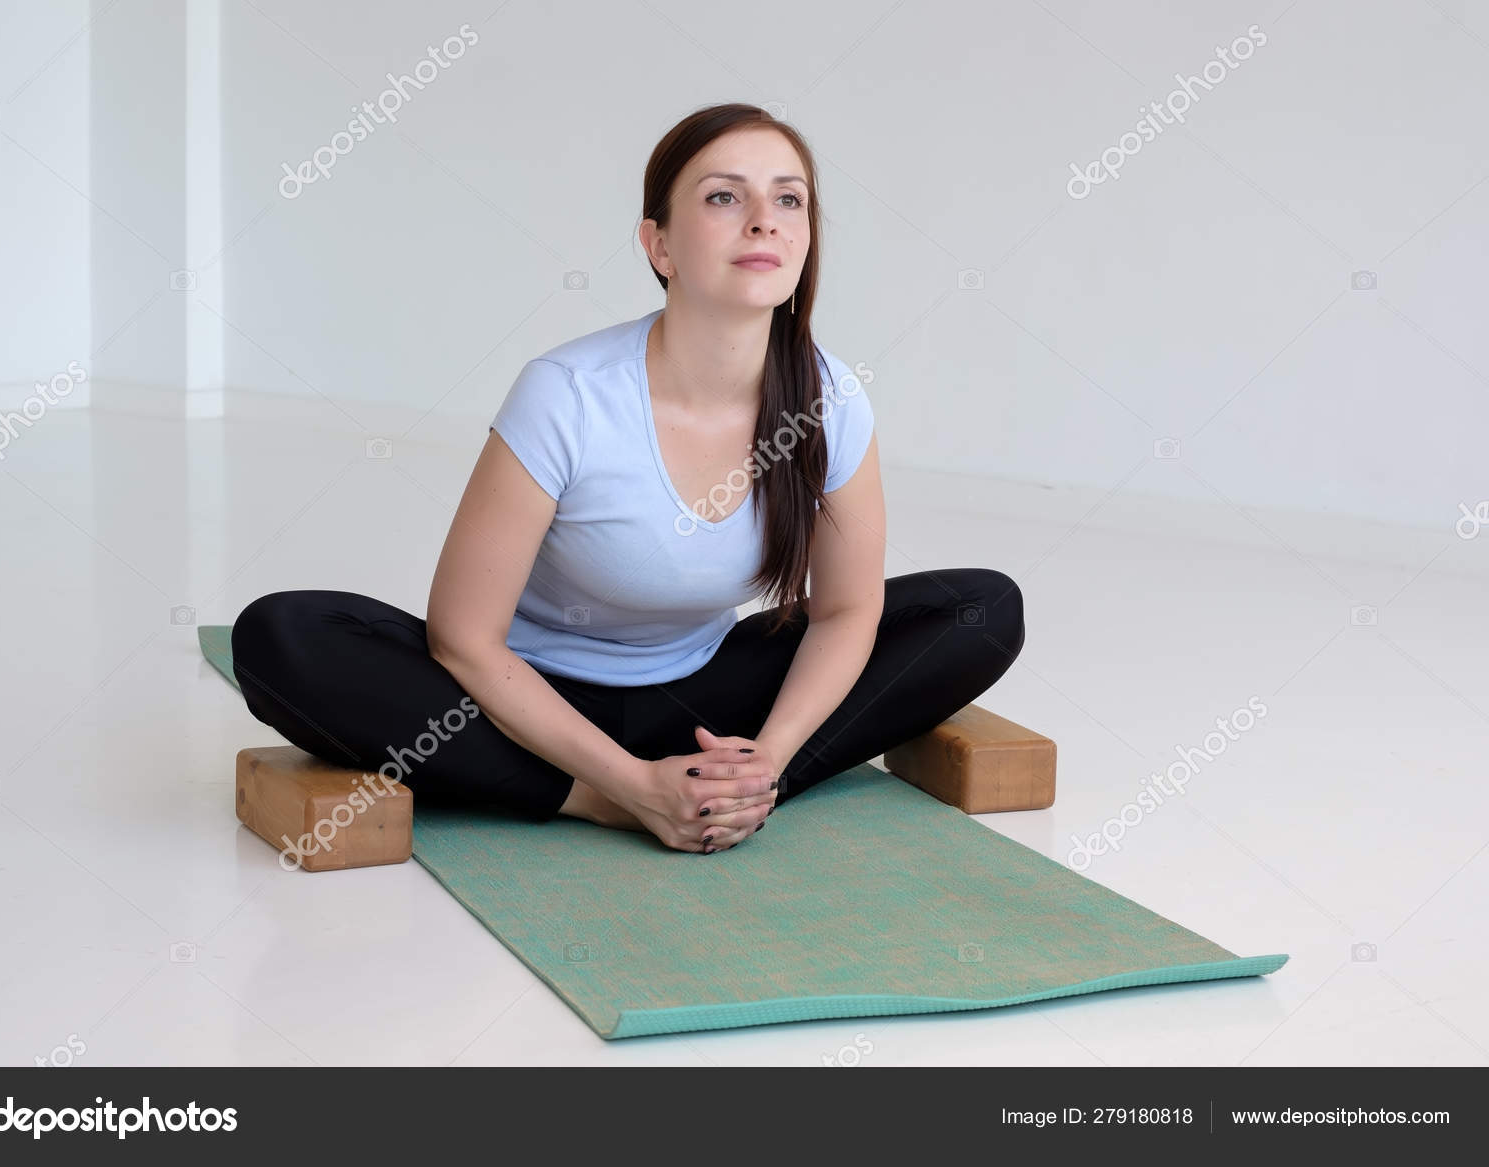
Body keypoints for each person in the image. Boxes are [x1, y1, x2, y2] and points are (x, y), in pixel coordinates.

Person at [231, 102, 1025, 855]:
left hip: (705, 702)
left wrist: (767, 760)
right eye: (724, 196)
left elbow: (849, 611)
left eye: (789, 199)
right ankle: (602, 798)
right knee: (283, 636)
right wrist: (625, 784)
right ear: (661, 246)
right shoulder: (567, 394)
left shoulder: (831, 399)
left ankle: (728, 793)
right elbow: (464, 638)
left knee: (982, 608)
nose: (764, 220)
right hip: (531, 702)